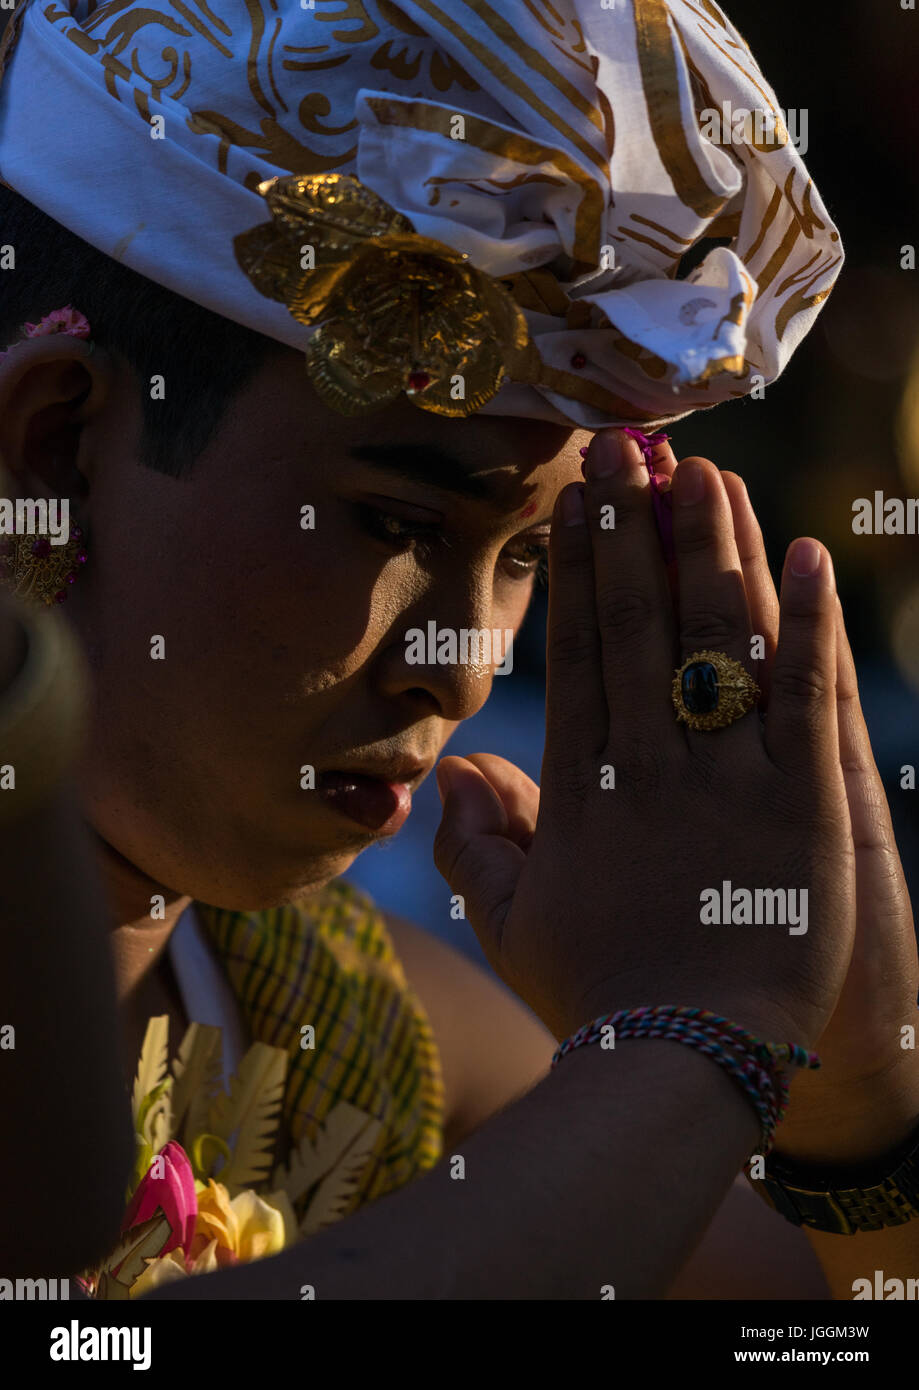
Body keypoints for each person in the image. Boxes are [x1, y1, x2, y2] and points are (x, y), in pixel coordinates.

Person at [0, 0, 916, 1299]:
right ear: (50, 448)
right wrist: (698, 1025)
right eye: (397, 523)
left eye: (530, 553)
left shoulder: (331, 1020)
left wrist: (853, 1090)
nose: (473, 666)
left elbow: (825, 1306)